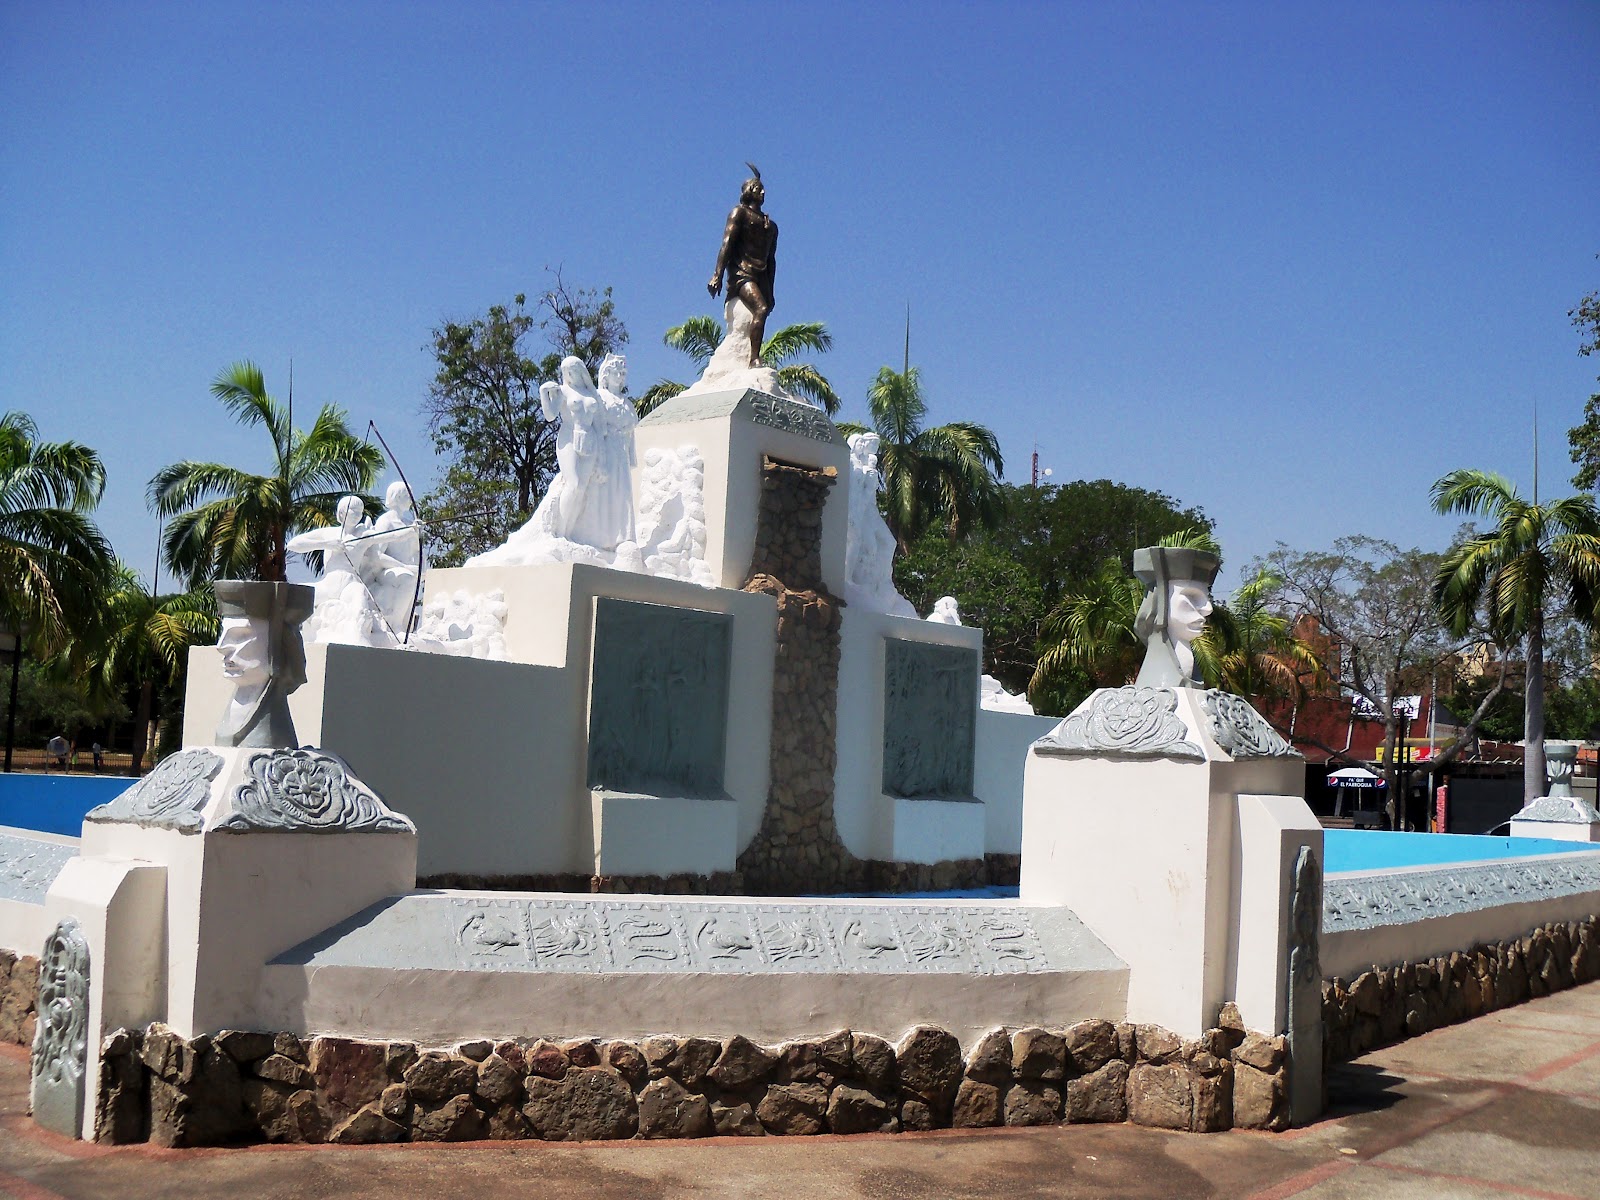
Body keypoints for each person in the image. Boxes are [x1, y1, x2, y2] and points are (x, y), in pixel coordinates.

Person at [708, 163, 778, 363]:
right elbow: (727, 244)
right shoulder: (739, 213)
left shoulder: (771, 226)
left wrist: (771, 290)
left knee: (765, 306)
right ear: (749, 191)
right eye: (758, 188)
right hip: (742, 274)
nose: (762, 192)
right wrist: (717, 275)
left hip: (760, 274)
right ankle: (754, 358)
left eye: (763, 189)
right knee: (761, 309)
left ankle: (754, 355)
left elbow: (771, 260)